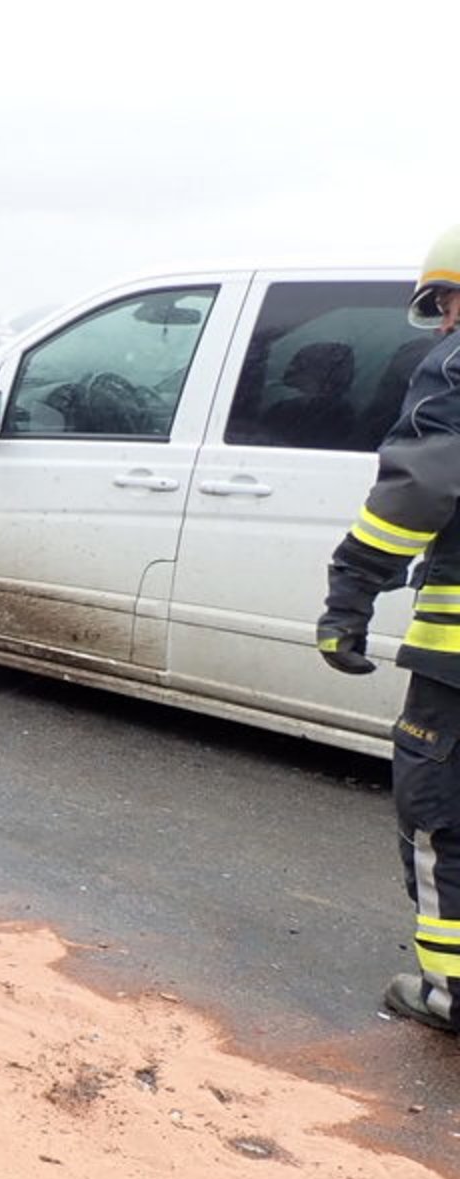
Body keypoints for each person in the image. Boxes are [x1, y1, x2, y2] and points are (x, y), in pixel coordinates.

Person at [315, 222, 460, 1033]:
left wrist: (349, 595)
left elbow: (418, 492)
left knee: (441, 816)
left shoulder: (457, 366)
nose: (443, 323)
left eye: (446, 301)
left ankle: (451, 993)